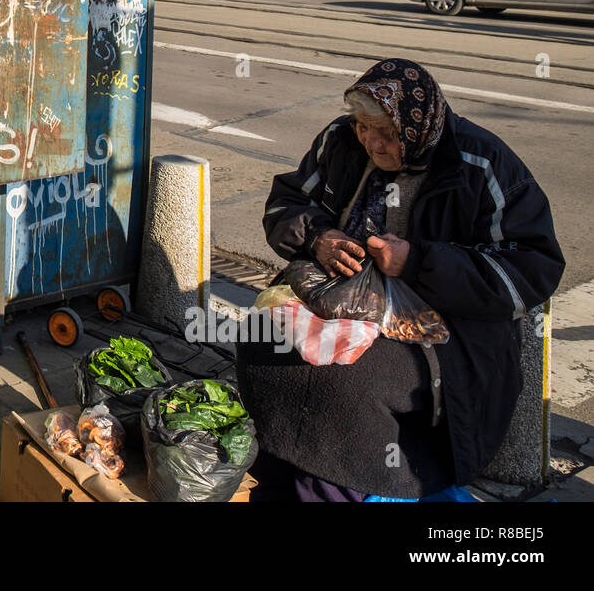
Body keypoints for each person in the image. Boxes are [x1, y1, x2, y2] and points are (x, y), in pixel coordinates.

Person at [237, 59, 564, 501]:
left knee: (341, 385)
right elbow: (286, 202)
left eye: (386, 132)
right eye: (362, 128)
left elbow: (534, 267)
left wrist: (418, 262)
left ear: (418, 125)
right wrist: (317, 236)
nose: (372, 142)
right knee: (262, 339)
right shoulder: (340, 139)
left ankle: (353, 484)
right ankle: (279, 477)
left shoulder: (480, 165)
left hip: (446, 332)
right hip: (343, 298)